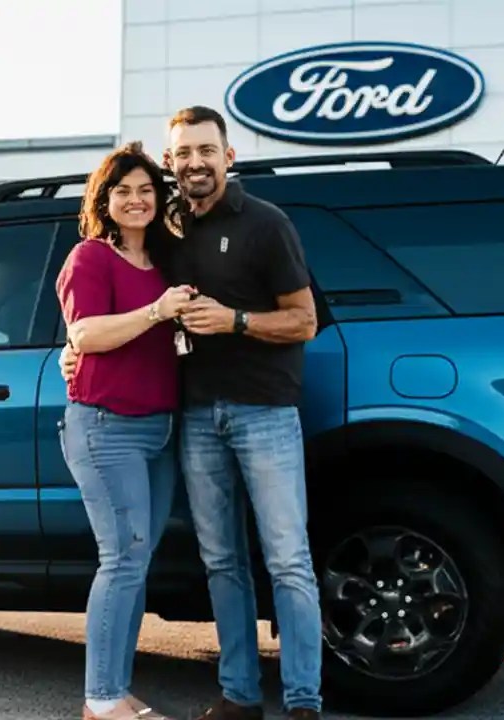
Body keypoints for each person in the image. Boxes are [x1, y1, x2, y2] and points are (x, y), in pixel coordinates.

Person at [61, 106, 323, 720]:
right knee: (222, 560)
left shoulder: (266, 223)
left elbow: (305, 320)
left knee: (287, 558)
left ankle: (305, 700)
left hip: (265, 412)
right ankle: (239, 696)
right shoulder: (167, 235)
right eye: (183, 154)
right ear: (172, 162)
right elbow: (98, 313)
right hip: (195, 415)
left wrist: (235, 320)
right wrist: (69, 354)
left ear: (228, 157)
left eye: (207, 150)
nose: (195, 163)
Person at [55, 140, 196, 720]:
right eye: (123, 191)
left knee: (137, 560)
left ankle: (118, 689)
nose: (136, 200)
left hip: (159, 431)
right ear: (104, 200)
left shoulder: (165, 262)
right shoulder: (90, 258)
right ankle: (102, 700)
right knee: (121, 558)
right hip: (106, 427)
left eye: (145, 190)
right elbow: (85, 334)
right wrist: (156, 313)